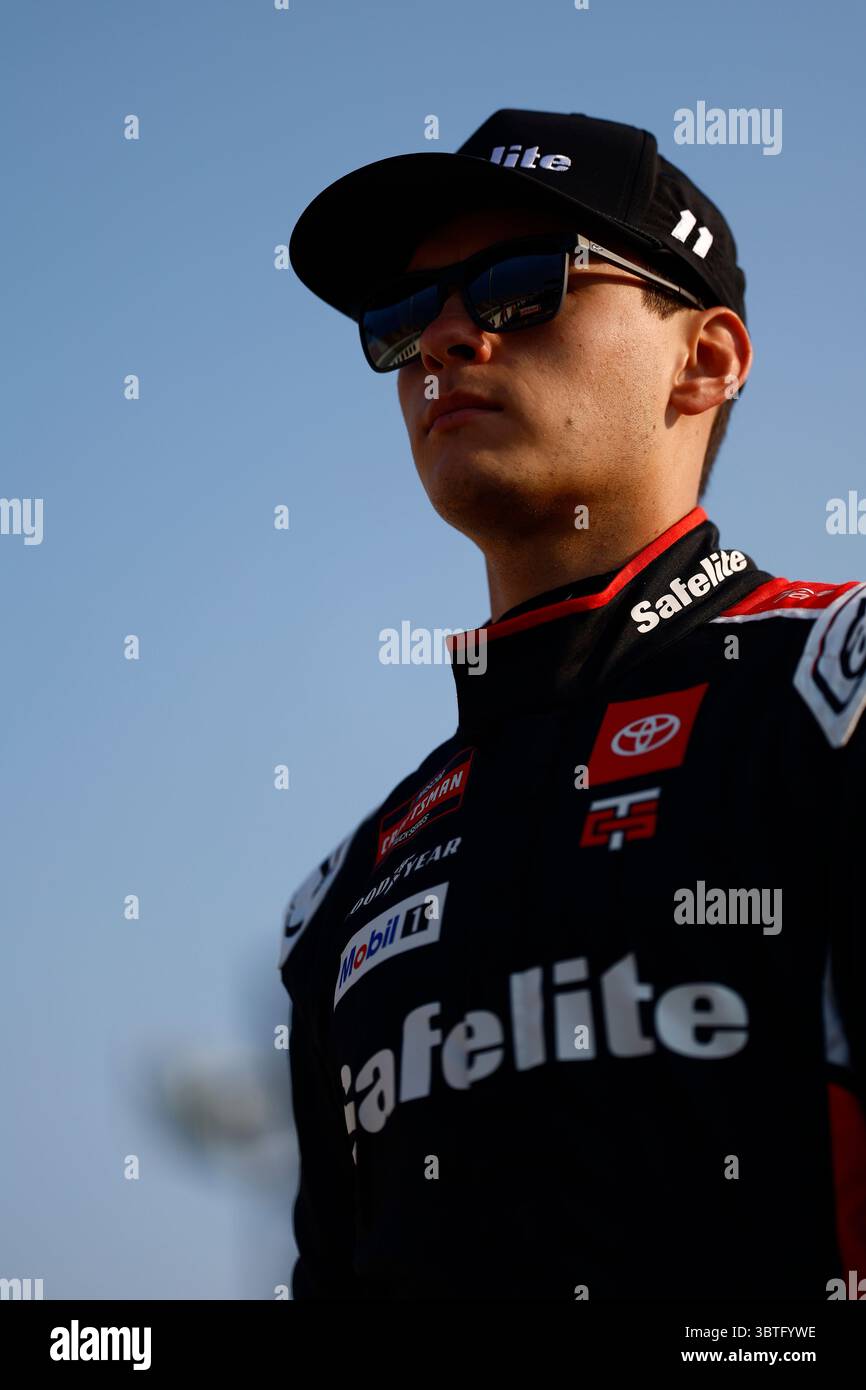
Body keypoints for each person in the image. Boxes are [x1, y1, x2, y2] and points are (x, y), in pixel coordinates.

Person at [279, 108, 866, 1300]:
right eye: (400, 319)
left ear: (703, 360)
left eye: (515, 285)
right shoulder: (340, 897)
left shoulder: (836, 689)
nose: (441, 338)